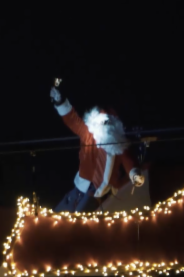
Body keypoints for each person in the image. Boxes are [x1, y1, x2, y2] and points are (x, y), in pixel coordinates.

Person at [50, 81, 145, 212]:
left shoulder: (120, 143)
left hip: (97, 193)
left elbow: (128, 160)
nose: (106, 125)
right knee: (58, 214)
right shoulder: (89, 134)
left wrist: (135, 174)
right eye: (103, 122)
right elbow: (73, 120)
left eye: (109, 122)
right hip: (80, 187)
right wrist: (60, 102)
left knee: (77, 220)